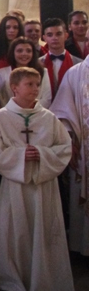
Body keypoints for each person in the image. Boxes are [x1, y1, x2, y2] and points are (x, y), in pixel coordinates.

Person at [0, 67, 75, 291]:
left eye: (37, 84)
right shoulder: (1, 118)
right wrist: (20, 156)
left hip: (43, 184)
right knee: (14, 230)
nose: (35, 89)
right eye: (29, 84)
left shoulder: (48, 117)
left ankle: (43, 280)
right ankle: (10, 280)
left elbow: (64, 148)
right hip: (15, 184)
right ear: (14, 87)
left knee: (42, 230)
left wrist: (43, 155)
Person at [50, 53, 89, 257]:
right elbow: (62, 112)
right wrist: (69, 142)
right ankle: (84, 247)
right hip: (84, 148)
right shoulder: (75, 73)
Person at [0, 37, 51, 108]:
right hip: (9, 114)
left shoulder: (43, 72)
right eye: (19, 51)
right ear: (13, 53)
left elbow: (47, 98)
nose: (24, 54)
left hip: (37, 114)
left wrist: (30, 111)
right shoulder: (2, 73)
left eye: (28, 51)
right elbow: (0, 97)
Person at [40, 18, 83, 97]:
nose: (54, 38)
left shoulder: (79, 63)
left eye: (58, 34)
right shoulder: (38, 63)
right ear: (44, 38)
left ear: (66, 35)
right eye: (50, 35)